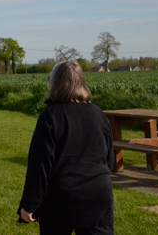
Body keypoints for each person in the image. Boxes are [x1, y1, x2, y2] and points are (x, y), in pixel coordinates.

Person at [18, 61, 114, 235]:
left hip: (61, 197)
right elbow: (109, 159)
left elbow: (39, 166)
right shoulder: (98, 113)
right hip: (99, 194)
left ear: (55, 83)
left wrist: (30, 204)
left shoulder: (50, 116)